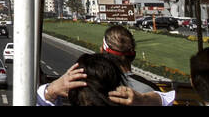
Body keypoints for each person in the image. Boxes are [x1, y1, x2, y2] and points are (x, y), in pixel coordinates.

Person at [38, 24, 175, 105]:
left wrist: (50, 91)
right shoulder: (149, 91)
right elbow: (168, 99)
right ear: (133, 55)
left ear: (103, 52)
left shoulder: (84, 85)